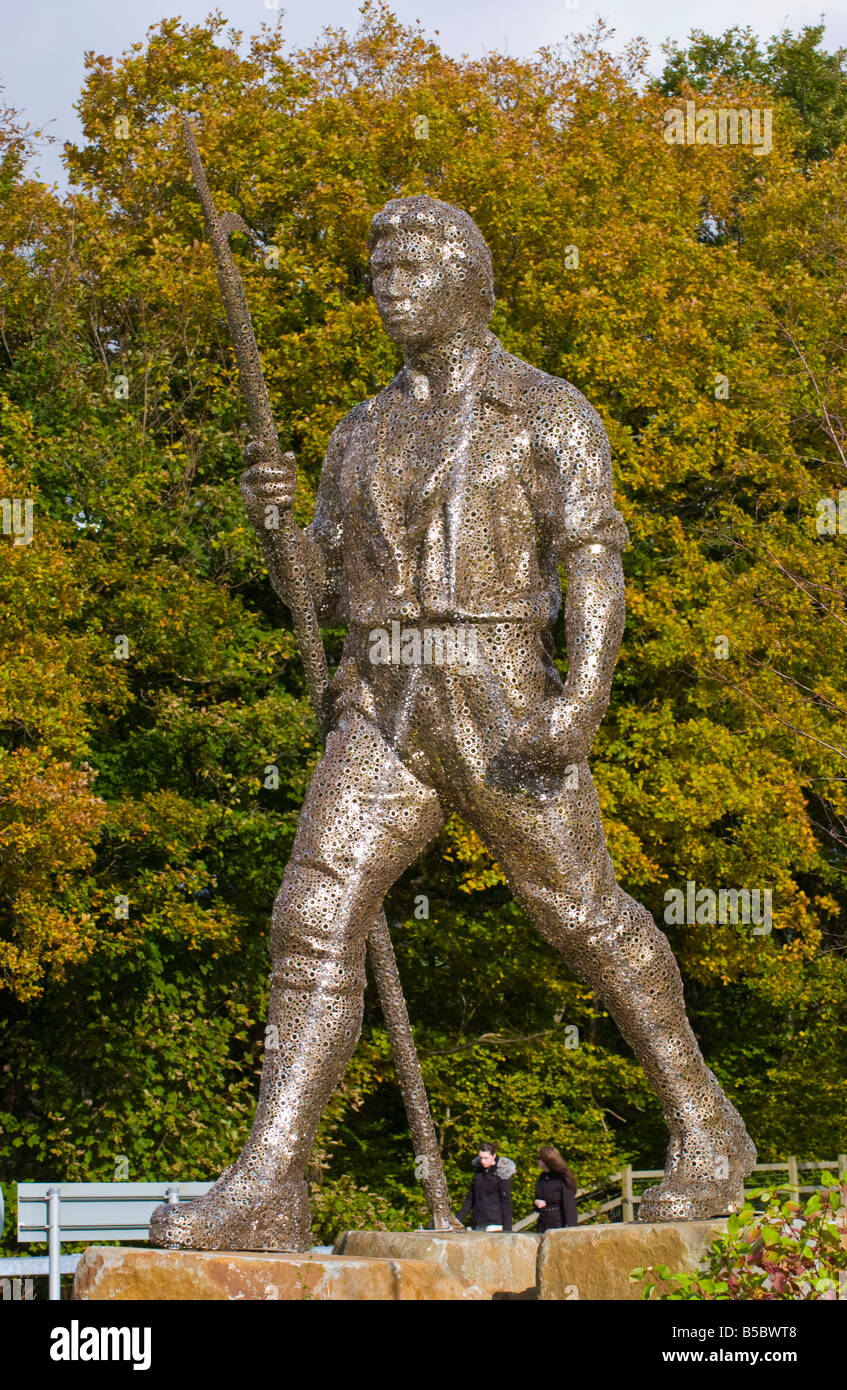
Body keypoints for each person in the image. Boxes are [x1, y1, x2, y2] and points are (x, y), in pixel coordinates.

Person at [150, 193, 756, 1254]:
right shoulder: (360, 429)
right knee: (311, 916)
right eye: (377, 267)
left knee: (581, 916)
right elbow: (321, 590)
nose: (388, 283)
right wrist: (276, 528)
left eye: (411, 265)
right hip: (380, 697)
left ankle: (706, 1126)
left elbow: (592, 557)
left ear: (470, 279)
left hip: (498, 692)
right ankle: (269, 1181)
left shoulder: (545, 407)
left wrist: (583, 697)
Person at [457, 1143, 515, 1232]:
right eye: (480, 1158)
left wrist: (507, 1229)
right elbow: (470, 1199)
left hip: (495, 1223)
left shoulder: (501, 1174)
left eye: (486, 1158)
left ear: (493, 1156)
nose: (482, 1161)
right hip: (478, 1221)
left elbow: (506, 1202)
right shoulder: (478, 1173)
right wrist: (458, 1220)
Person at [534, 1145, 578, 1231]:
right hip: (543, 1222)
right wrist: (536, 1202)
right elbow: (539, 1196)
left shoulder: (561, 1178)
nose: (537, 1160)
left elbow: (569, 1204)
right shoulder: (542, 1177)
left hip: (558, 1223)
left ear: (546, 1160)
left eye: (539, 1158)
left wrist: (571, 1228)